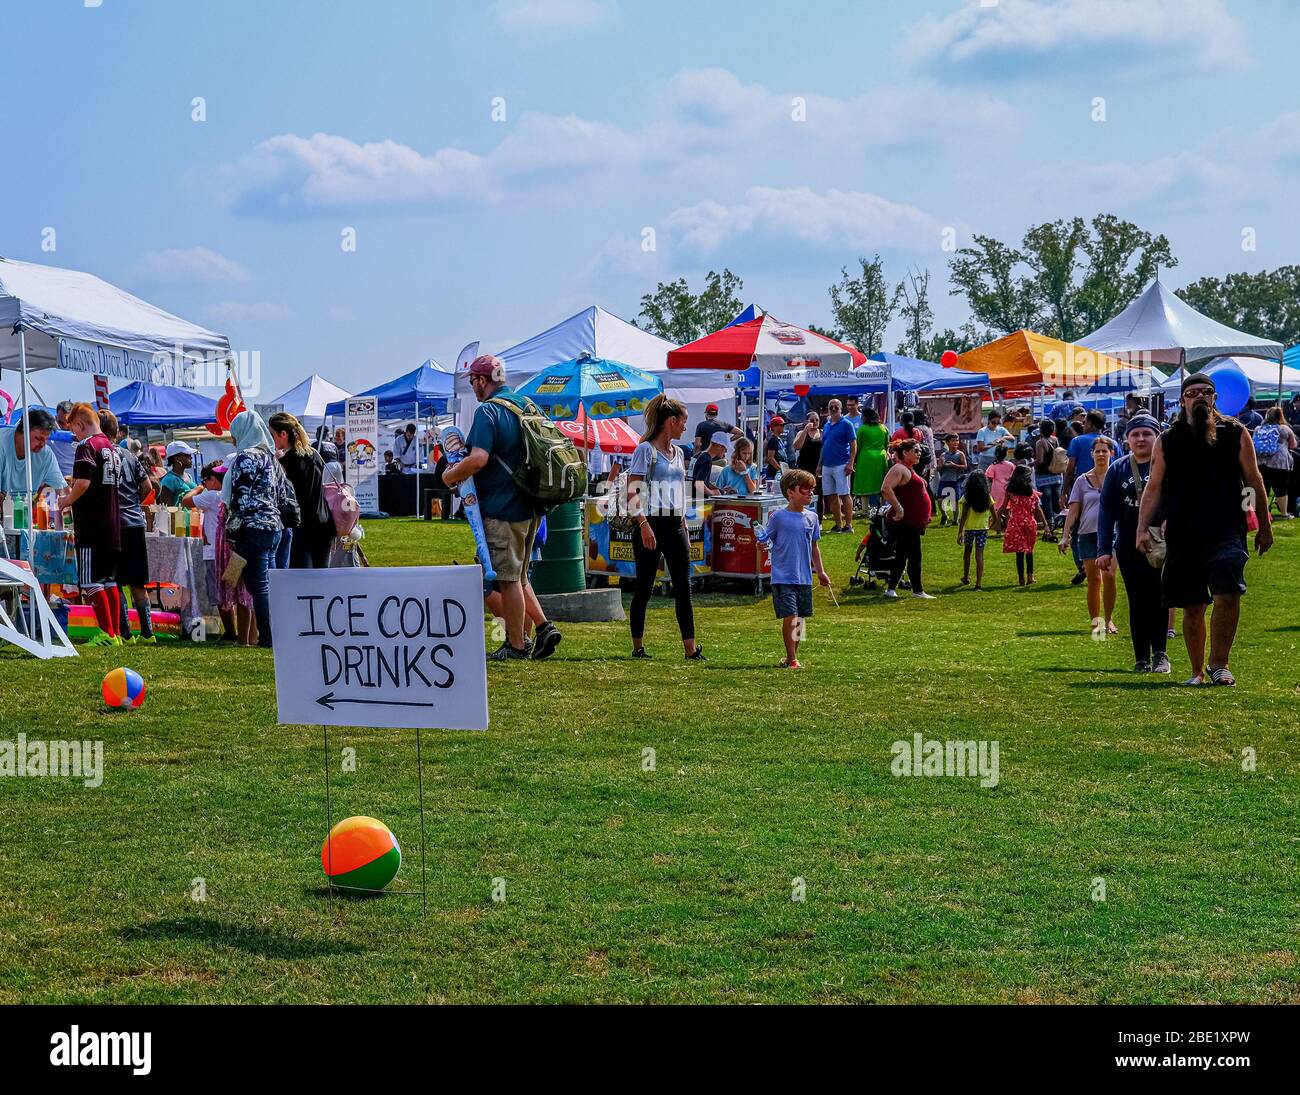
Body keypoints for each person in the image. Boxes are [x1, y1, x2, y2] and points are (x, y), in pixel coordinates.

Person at [1136, 372, 1273, 686]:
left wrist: (1263, 524)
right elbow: (1154, 487)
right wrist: (1142, 527)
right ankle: (1197, 670)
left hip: (1227, 530)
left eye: (1205, 392)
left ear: (1215, 398)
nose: (1199, 396)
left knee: (1228, 594)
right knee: (1192, 604)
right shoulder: (1167, 439)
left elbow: (1253, 481)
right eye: (1192, 392)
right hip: (1183, 533)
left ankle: (1219, 664)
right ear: (1183, 399)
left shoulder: (1235, 433)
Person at [441, 353, 562, 662]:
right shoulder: (525, 405)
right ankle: (543, 628)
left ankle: (516, 646)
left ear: (483, 380)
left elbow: (479, 459)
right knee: (520, 577)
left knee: (507, 580)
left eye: (473, 381)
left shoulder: (489, 412)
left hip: (503, 508)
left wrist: (450, 475)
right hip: (532, 505)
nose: (473, 387)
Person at [624, 393, 702, 660]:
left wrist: (684, 526)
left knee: (683, 585)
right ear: (670, 421)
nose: (684, 427)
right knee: (645, 586)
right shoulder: (645, 450)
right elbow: (632, 491)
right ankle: (638, 646)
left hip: (674, 522)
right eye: (682, 422)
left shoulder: (679, 453)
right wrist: (643, 524)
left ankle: (690, 650)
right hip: (650, 521)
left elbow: (678, 493)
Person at [1096, 413, 1169, 673]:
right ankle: (1141, 658)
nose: (1140, 439)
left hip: (1162, 544)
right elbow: (1105, 510)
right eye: (1135, 434)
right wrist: (1104, 549)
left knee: (1161, 598)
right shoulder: (1118, 469)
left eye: (1146, 434)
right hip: (1129, 545)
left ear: (1157, 436)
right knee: (1137, 600)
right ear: (1126, 439)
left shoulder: (1166, 464)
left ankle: (1161, 654)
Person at [221, 409, 289, 649]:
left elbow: (240, 498)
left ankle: (268, 637)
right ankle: (278, 631)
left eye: (234, 434)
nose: (233, 439)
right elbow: (282, 495)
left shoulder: (246, 457)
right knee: (270, 583)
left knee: (259, 585)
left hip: (254, 527)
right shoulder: (271, 457)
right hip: (274, 527)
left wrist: (231, 530)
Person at [62, 404, 124, 646]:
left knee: (90, 581)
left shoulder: (86, 445)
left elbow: (83, 482)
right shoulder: (112, 448)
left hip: (92, 524)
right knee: (109, 581)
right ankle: (116, 633)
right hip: (113, 524)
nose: (75, 436)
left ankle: (106, 633)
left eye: (74, 430)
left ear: (79, 424)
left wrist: (67, 499)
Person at [100, 410, 157, 644]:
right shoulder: (131, 456)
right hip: (134, 522)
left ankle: (125, 633)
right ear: (116, 432)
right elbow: (148, 486)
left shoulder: (99, 454)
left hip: (113, 523)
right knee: (138, 582)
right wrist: (134, 503)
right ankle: (148, 633)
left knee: (116, 581)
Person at [764, 468, 829, 669]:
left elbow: (814, 547)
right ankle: (793, 659)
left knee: (800, 619)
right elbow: (765, 540)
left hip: (804, 577)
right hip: (783, 576)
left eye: (812, 489)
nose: (810, 493)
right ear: (790, 492)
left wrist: (821, 572)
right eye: (804, 489)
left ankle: (790, 656)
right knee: (790, 616)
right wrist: (761, 544)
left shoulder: (812, 518)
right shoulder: (778, 517)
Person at [1059, 436, 1118, 635]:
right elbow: (1074, 511)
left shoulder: (1117, 476)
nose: (1101, 454)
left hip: (1112, 534)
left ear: (1112, 453)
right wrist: (1065, 536)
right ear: (1091, 454)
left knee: (1109, 576)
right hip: (1087, 534)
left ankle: (1108, 619)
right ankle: (1096, 622)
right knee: (1094, 580)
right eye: (1097, 451)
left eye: (1104, 451)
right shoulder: (1082, 480)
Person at [182, 462, 238, 642]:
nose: (204, 484)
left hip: (214, 553)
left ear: (213, 479)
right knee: (232, 592)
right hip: (231, 552)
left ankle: (230, 632)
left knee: (219, 595)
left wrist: (197, 487)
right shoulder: (230, 494)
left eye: (205, 481)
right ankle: (237, 630)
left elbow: (186, 500)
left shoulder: (212, 496)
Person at [270, 411, 332, 568]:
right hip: (324, 523)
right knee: (322, 577)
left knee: (302, 580)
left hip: (301, 527)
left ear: (283, 434)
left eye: (272, 434)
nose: (272, 439)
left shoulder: (286, 461)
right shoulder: (314, 454)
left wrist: (275, 462)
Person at [880, 438, 934, 600]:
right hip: (905, 522)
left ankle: (891, 589)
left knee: (902, 555)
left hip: (912, 521)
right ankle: (917, 590)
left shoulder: (909, 469)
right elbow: (885, 488)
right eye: (915, 451)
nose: (919, 454)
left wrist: (925, 515)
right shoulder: (899, 468)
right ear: (905, 452)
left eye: (919, 451)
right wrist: (899, 508)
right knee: (914, 555)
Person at [0, 408, 65, 507]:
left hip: (24, 516)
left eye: (46, 439)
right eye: (38, 438)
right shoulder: (2, 444)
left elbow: (63, 490)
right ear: (23, 430)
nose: (43, 444)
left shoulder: (46, 454)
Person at [997, 465, 1048, 587]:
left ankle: (1021, 579)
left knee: (1019, 553)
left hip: (1015, 524)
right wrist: (1046, 524)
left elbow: (1003, 506)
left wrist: (995, 518)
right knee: (1029, 551)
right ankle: (1030, 576)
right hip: (1029, 523)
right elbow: (1038, 509)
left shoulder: (1010, 491)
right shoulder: (1030, 491)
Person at [818, 399, 856, 533]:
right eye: (831, 407)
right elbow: (824, 446)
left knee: (845, 494)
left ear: (841, 409)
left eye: (836, 407)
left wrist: (850, 463)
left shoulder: (847, 424)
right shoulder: (827, 424)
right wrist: (819, 464)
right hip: (827, 465)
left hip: (841, 464)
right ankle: (838, 524)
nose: (833, 409)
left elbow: (853, 445)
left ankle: (849, 525)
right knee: (830, 495)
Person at [1255, 406, 1296, 520]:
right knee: (1281, 489)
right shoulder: (1284, 429)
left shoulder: (1259, 428)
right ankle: (1284, 514)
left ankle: (1263, 513)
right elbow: (1293, 445)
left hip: (1261, 463)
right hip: (1280, 463)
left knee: (1264, 489)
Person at [956, 468, 992, 590]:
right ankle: (979, 583)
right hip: (983, 529)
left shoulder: (967, 497)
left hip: (970, 529)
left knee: (967, 552)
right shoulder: (987, 496)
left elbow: (964, 516)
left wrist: (960, 531)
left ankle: (966, 577)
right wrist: (991, 525)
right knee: (979, 555)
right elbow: (995, 515)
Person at [851, 407, 889, 510]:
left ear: (865, 417)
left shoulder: (862, 429)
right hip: (881, 458)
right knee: (881, 483)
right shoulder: (883, 428)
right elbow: (886, 444)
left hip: (865, 458)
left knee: (865, 484)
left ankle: (865, 509)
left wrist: (854, 459)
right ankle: (881, 507)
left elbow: (858, 445)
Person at [1033, 419, 1065, 530]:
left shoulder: (1040, 442)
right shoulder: (1055, 440)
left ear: (1041, 429)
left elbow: (1040, 461)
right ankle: (1061, 519)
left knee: (1046, 499)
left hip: (1044, 475)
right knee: (1056, 498)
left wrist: (1030, 463)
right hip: (1056, 474)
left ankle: (1050, 522)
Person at [935, 433, 967, 526]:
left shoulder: (960, 454)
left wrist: (954, 465)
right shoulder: (943, 455)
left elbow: (965, 466)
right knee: (940, 500)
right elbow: (938, 468)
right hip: (944, 480)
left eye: (957, 440)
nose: (955, 442)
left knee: (955, 501)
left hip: (955, 480)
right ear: (948, 443)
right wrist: (940, 465)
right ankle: (944, 515)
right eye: (953, 441)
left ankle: (955, 519)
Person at [156, 440, 197, 505]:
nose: (191, 457)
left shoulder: (189, 476)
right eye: (187, 455)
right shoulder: (168, 480)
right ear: (177, 458)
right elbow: (167, 510)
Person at [690, 434, 727, 500]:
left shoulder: (698, 456)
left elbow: (704, 482)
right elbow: (698, 484)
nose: (725, 452)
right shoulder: (707, 460)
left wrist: (722, 491)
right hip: (698, 501)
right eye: (725, 448)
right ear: (718, 446)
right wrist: (712, 493)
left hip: (690, 498)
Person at [986, 444, 1014, 511]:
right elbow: (1013, 477)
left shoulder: (993, 466)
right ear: (1006, 454)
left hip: (996, 490)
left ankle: (997, 521)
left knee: (996, 509)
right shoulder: (1011, 465)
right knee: (1007, 509)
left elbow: (989, 478)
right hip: (1008, 489)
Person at [763, 416, 788, 482]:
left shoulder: (779, 439)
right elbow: (770, 458)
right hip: (774, 474)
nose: (783, 427)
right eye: (781, 425)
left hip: (779, 473)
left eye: (783, 425)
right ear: (774, 427)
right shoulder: (773, 440)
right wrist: (780, 469)